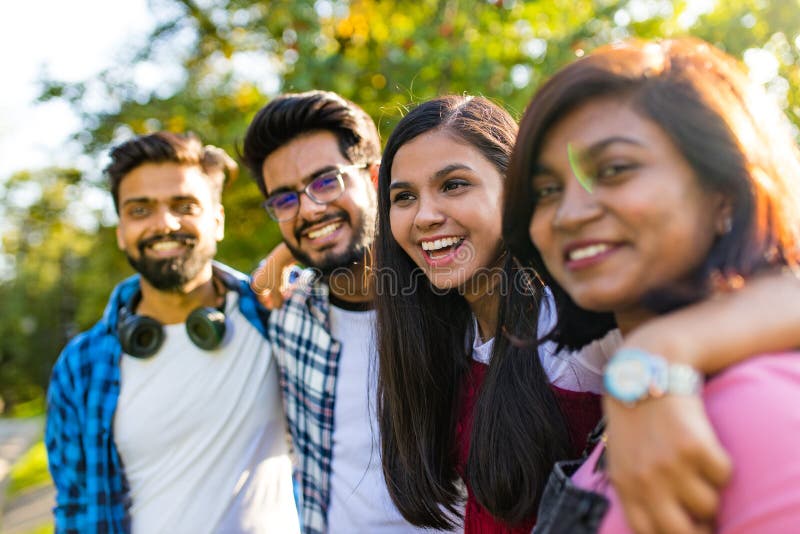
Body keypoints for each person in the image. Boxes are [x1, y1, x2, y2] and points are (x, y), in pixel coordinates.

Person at [502, 37, 800, 533]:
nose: (570, 214)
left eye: (615, 169)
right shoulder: (648, 390)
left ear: (725, 193)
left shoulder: (759, 409)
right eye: (546, 191)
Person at [45, 132, 299, 533]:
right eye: (140, 210)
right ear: (120, 230)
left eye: (184, 206)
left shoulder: (278, 313)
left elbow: (357, 256)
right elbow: (75, 508)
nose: (164, 224)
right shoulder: (80, 365)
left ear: (217, 221)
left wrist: (286, 252)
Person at [241, 91, 440, 534]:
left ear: (373, 179)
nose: (309, 208)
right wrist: (281, 258)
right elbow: (254, 290)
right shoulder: (289, 319)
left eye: (326, 181)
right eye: (284, 200)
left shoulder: (450, 297)